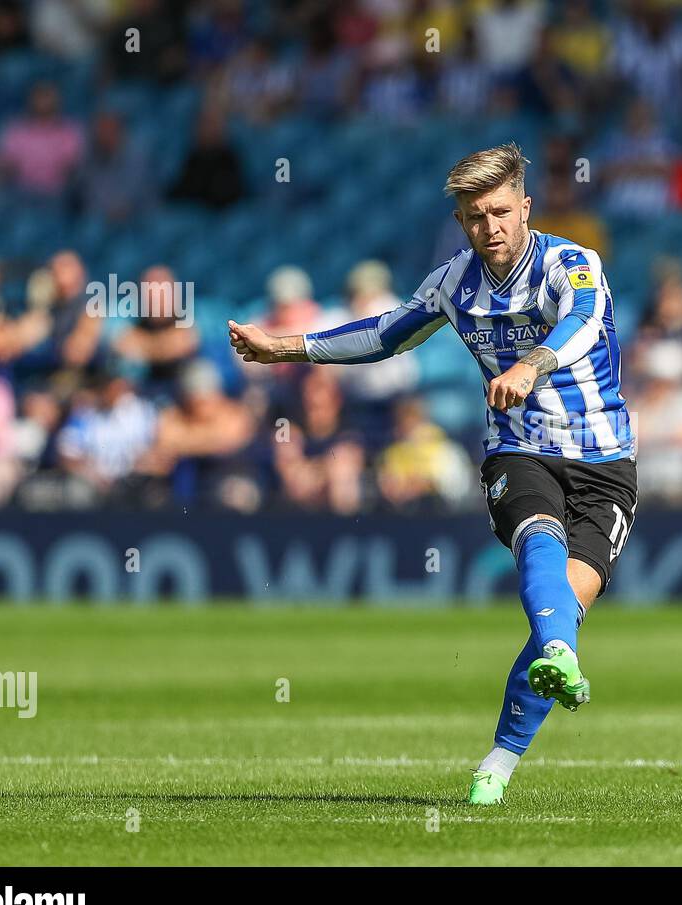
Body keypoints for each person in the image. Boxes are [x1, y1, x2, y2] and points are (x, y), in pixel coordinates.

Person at [228, 143, 638, 806]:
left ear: (525, 207)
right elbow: (386, 334)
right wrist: (288, 348)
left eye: (502, 212)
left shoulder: (571, 263)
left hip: (604, 465)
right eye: (476, 217)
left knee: (557, 613)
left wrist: (530, 365)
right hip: (520, 451)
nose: (491, 227)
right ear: (461, 222)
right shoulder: (454, 284)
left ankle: (500, 759)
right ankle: (557, 663)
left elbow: (586, 323)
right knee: (538, 538)